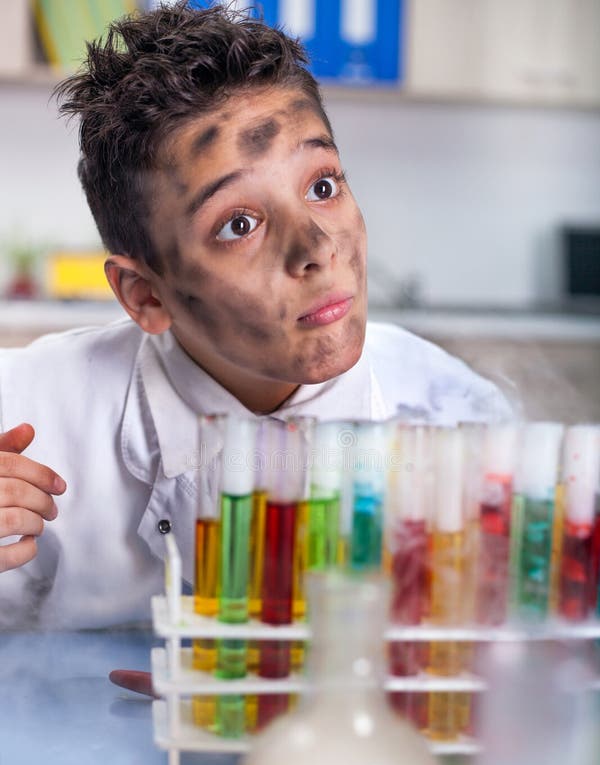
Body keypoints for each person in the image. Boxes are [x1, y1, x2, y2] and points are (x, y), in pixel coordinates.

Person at [0, 2, 510, 643]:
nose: (317, 248)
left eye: (322, 186)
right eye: (239, 224)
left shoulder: (455, 415)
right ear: (145, 294)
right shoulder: (26, 418)